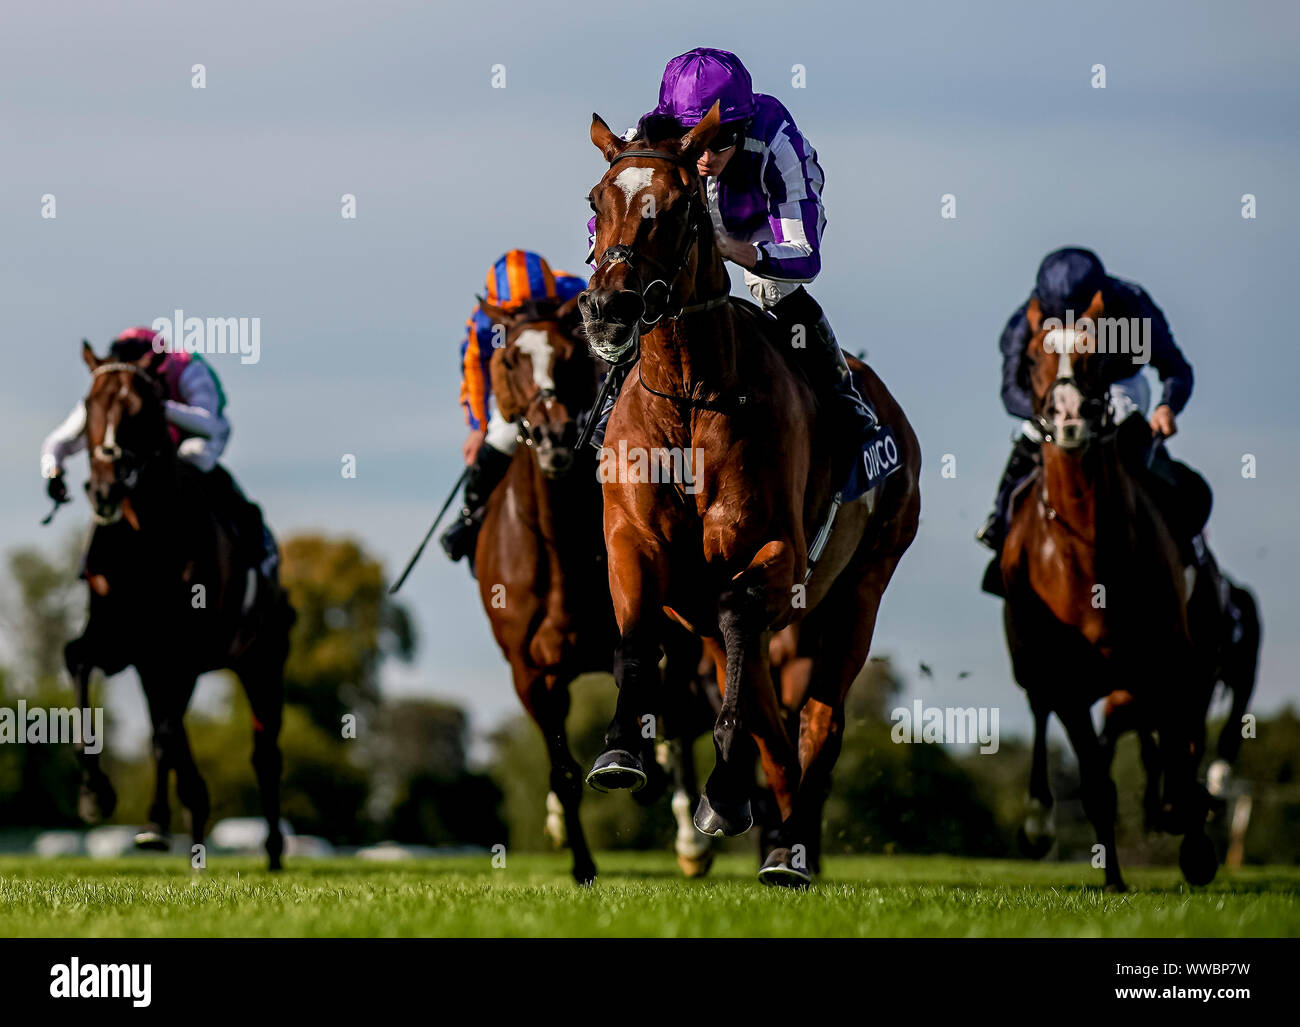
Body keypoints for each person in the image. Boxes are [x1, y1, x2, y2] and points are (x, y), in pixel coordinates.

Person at [587, 46, 876, 449]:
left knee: (773, 287)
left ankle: (841, 395)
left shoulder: (779, 143)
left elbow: (806, 255)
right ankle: (614, 395)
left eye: (721, 139)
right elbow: (606, 226)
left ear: (744, 126)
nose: (706, 155)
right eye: (695, 141)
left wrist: (735, 249)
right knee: (641, 285)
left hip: (757, 220)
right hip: (686, 218)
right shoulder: (645, 143)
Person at [977, 247, 1210, 562]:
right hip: (1053, 394)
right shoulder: (1025, 321)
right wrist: (1049, 412)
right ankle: (999, 521)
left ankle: (1181, 527)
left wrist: (1167, 406)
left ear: (1098, 299)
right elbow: (1011, 392)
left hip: (1118, 383)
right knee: (1030, 436)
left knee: (1130, 432)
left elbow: (1175, 368)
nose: (1071, 326)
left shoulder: (1130, 304)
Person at [41, 326, 275, 578]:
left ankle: (257, 550)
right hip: (144, 453)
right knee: (112, 486)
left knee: (196, 462)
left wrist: (158, 407)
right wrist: (53, 471)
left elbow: (209, 424)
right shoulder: (112, 385)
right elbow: (58, 441)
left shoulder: (189, 369)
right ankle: (90, 561)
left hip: (198, 441)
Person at [439, 250, 587, 565]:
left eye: (540, 307)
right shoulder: (485, 323)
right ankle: (469, 517)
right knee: (502, 436)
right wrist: (477, 426)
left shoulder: (575, 292)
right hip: (520, 397)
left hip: (573, 388)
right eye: (518, 312)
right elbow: (474, 367)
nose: (530, 317)